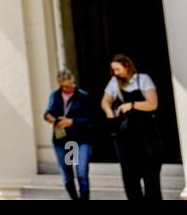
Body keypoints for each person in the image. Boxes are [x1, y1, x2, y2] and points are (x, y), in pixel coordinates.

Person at [101, 53, 163, 200]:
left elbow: (152, 103)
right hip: (126, 137)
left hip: (147, 136)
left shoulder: (143, 79)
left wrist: (132, 105)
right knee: (130, 178)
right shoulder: (114, 82)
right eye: (113, 70)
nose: (115, 73)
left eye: (117, 69)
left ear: (127, 66)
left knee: (151, 178)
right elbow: (105, 102)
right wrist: (110, 115)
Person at [44, 67, 94, 200]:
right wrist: (51, 118)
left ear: (72, 81)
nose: (65, 89)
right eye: (62, 86)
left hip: (80, 140)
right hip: (63, 140)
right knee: (67, 177)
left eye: (67, 86)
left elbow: (90, 119)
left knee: (82, 173)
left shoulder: (83, 96)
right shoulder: (55, 95)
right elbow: (48, 112)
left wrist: (72, 122)